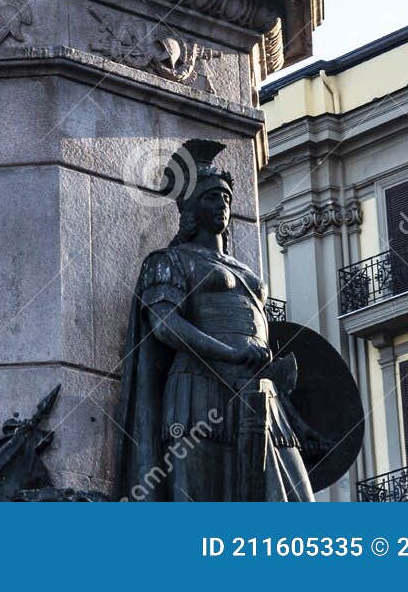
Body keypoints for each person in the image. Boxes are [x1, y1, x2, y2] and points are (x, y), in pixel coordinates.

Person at [114, 138, 314, 501]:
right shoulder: (168, 261)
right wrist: (230, 353)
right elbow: (165, 325)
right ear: (190, 208)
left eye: (225, 197)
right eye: (211, 197)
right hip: (196, 388)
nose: (222, 203)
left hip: (257, 391)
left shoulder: (244, 268)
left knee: (295, 498)